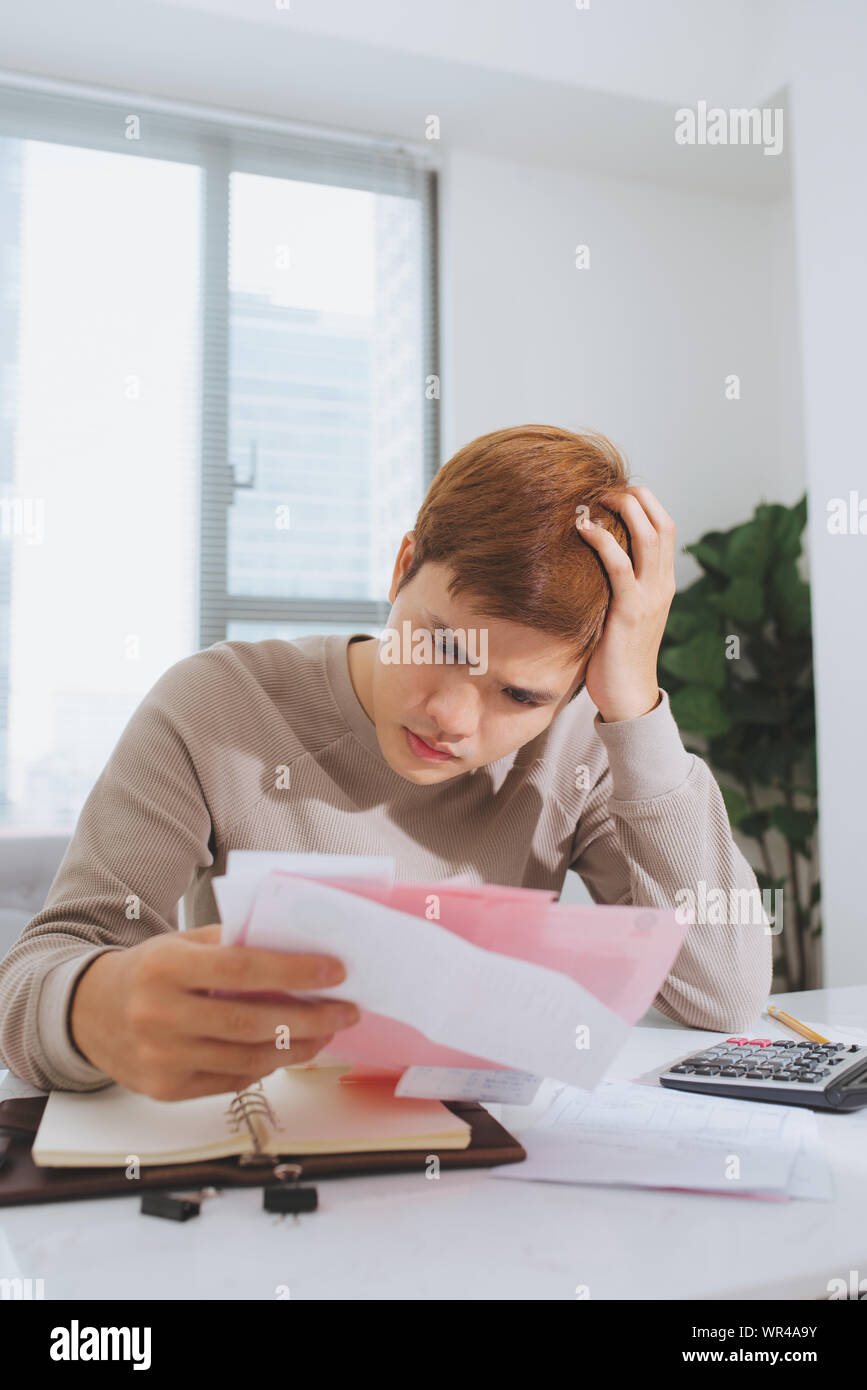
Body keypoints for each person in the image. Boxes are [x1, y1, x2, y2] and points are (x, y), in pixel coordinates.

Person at [0, 424, 771, 1097]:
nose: (450, 717)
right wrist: (98, 1004)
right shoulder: (220, 704)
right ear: (402, 565)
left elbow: (723, 994)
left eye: (519, 695)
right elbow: (40, 975)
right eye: (437, 644)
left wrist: (633, 708)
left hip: (488, 1182)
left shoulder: (580, 748)